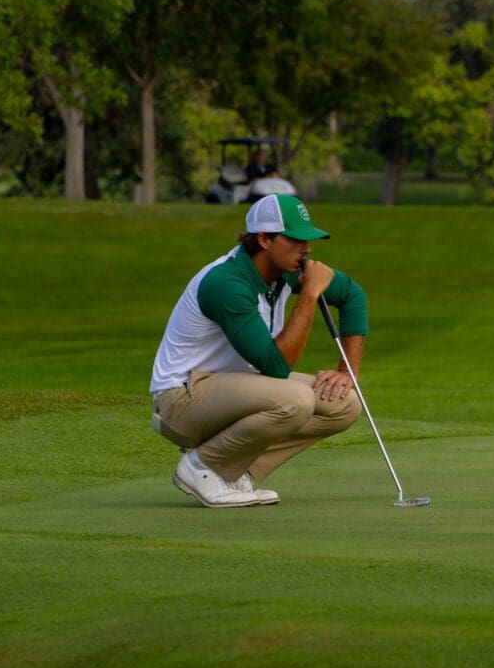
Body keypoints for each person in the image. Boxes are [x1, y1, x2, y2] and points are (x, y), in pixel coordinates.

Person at [148, 193, 368, 508]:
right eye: (295, 239)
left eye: (308, 240)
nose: (307, 249)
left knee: (344, 403)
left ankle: (232, 470)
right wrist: (308, 294)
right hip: (181, 400)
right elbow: (276, 366)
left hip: (234, 390)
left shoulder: (288, 271)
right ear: (264, 239)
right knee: (296, 399)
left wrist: (347, 372)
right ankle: (204, 467)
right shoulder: (226, 283)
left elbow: (352, 296)